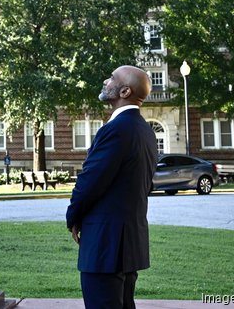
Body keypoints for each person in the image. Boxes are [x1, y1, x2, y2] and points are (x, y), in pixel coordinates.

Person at [65, 65, 158, 308]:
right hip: (128, 243)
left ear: (125, 91)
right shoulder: (145, 131)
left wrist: (72, 217)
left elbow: (90, 181)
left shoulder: (116, 129)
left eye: (112, 78)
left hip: (105, 244)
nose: (106, 81)